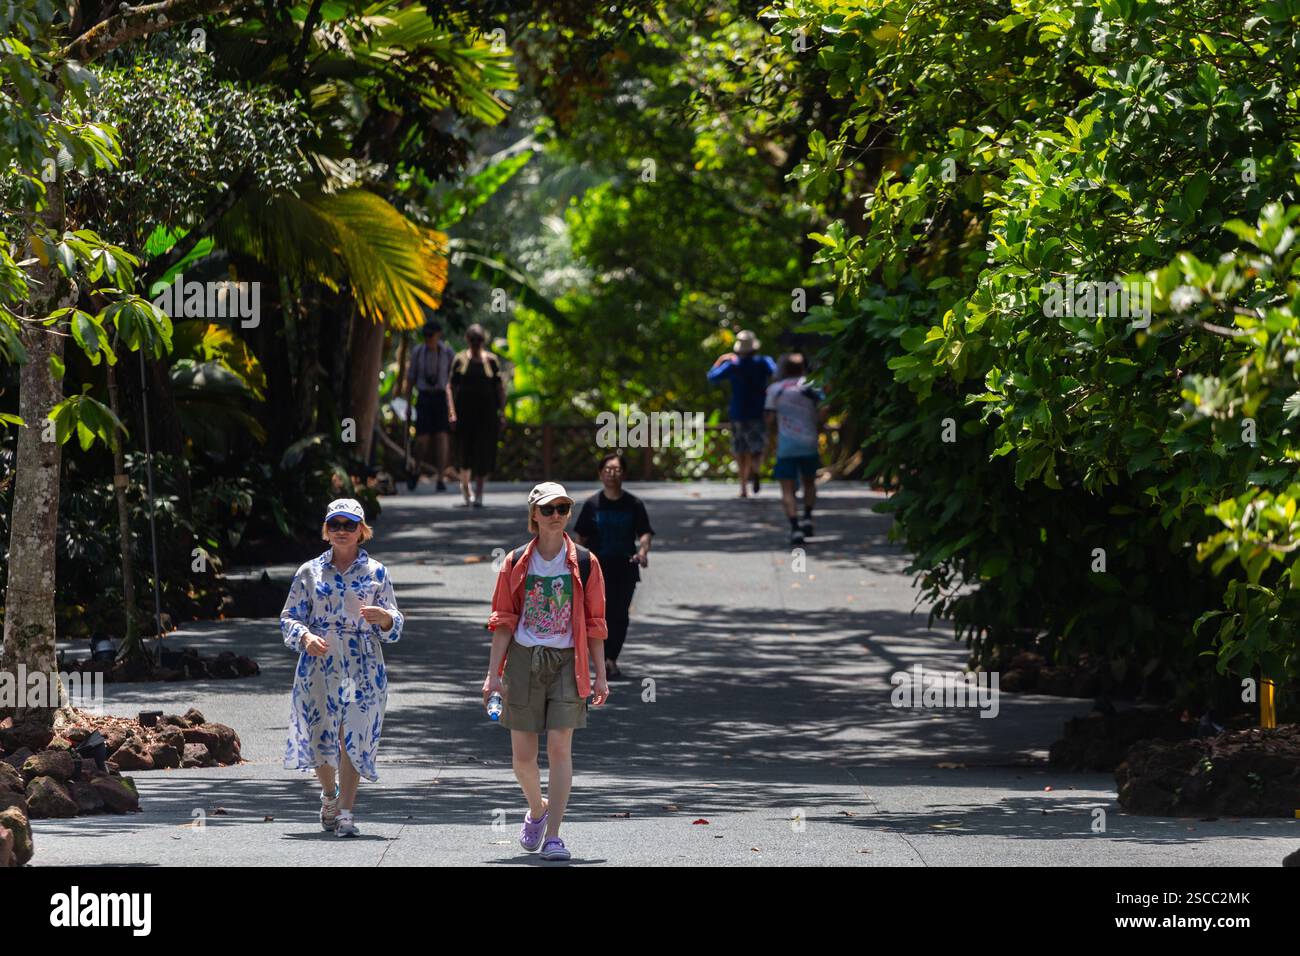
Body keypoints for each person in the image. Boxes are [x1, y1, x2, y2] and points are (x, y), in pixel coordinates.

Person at [482, 482, 610, 861]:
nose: (557, 515)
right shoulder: (516, 561)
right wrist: (493, 675)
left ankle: (553, 835)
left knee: (559, 747)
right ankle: (537, 811)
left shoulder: (586, 562)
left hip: (569, 661)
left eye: (563, 508)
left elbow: (596, 623)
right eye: (549, 508)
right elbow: (503, 620)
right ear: (534, 515)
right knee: (522, 758)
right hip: (523, 659)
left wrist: (601, 674)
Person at [280, 498, 403, 837]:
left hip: (362, 662)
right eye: (335, 525)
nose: (342, 531)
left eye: (349, 525)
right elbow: (289, 616)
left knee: (355, 732)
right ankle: (330, 795)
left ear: (362, 531)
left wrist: (386, 619)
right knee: (323, 732)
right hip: (321, 661)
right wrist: (304, 637)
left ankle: (346, 812)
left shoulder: (377, 572)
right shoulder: (309, 572)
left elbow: (396, 620)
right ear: (326, 530)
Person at [573, 451, 653, 680]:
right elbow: (581, 537)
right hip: (598, 569)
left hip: (625, 568)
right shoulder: (592, 504)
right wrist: (580, 563)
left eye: (616, 470)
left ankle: (611, 659)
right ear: (600, 474)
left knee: (620, 615)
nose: (612, 474)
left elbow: (644, 532)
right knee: (599, 615)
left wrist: (643, 552)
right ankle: (600, 660)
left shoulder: (633, 504)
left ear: (624, 474)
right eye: (607, 470)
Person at [764, 353, 827, 546]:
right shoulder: (812, 385)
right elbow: (825, 407)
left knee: (787, 489)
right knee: (810, 483)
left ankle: (794, 527)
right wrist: (818, 425)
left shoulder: (775, 389)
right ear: (802, 368)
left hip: (786, 445)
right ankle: (807, 517)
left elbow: (769, 419)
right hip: (809, 442)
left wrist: (771, 439)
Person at [707, 329, 777, 498]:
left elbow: (712, 377)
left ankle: (744, 488)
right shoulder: (763, 362)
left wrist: (720, 360)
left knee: (740, 450)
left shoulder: (733, 364)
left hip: (738, 412)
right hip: (758, 411)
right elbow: (777, 374)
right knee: (757, 448)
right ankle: (756, 469)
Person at [451, 323, 506, 508]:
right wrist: (452, 412)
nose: (476, 343)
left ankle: (480, 494)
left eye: (479, 340)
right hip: (464, 414)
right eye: (473, 339)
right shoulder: (460, 360)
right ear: (468, 340)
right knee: (464, 454)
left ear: (484, 340)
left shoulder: (491, 361)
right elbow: (450, 387)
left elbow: (500, 387)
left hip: (486, 415)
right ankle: (466, 486)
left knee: (483, 453)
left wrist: (502, 413)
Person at [405, 320, 457, 491]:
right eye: (425, 335)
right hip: (424, 397)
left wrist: (452, 407)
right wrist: (407, 404)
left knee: (442, 437)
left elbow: (453, 381)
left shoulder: (448, 353)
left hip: (441, 397)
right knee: (422, 439)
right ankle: (416, 468)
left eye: (430, 335)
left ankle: (441, 477)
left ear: (438, 335)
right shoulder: (418, 352)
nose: (427, 338)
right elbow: (411, 378)